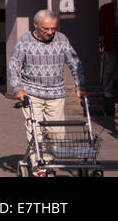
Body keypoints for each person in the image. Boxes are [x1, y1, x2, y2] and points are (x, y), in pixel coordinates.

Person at [8, 10, 86, 157]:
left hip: (56, 94)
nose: (50, 32)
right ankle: (39, 166)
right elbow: (13, 65)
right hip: (31, 94)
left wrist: (80, 85)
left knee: (56, 134)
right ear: (36, 25)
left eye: (53, 28)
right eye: (46, 28)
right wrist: (17, 88)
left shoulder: (62, 39)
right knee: (35, 132)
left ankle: (49, 162)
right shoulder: (25, 40)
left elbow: (75, 63)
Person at [99, 0, 116, 116]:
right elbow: (101, 24)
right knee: (110, 66)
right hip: (112, 41)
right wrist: (101, 37)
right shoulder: (106, 8)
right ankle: (107, 90)